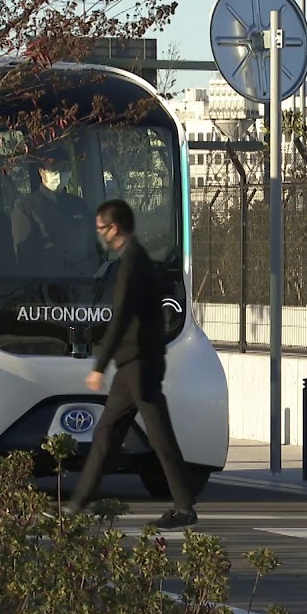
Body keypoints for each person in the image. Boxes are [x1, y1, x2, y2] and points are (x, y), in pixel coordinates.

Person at [65, 198, 198, 528]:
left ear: (114, 228)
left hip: (139, 365)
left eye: (100, 229)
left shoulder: (131, 264)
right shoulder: (137, 260)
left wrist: (99, 365)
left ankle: (183, 507)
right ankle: (78, 503)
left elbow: (121, 317)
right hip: (135, 365)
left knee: (157, 436)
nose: (99, 235)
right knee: (108, 434)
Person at [10, 158, 92, 275]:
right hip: (48, 286)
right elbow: (25, 261)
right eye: (54, 169)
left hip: (83, 284)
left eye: (64, 169)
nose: (59, 174)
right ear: (42, 172)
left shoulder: (79, 205)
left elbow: (92, 245)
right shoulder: (26, 209)